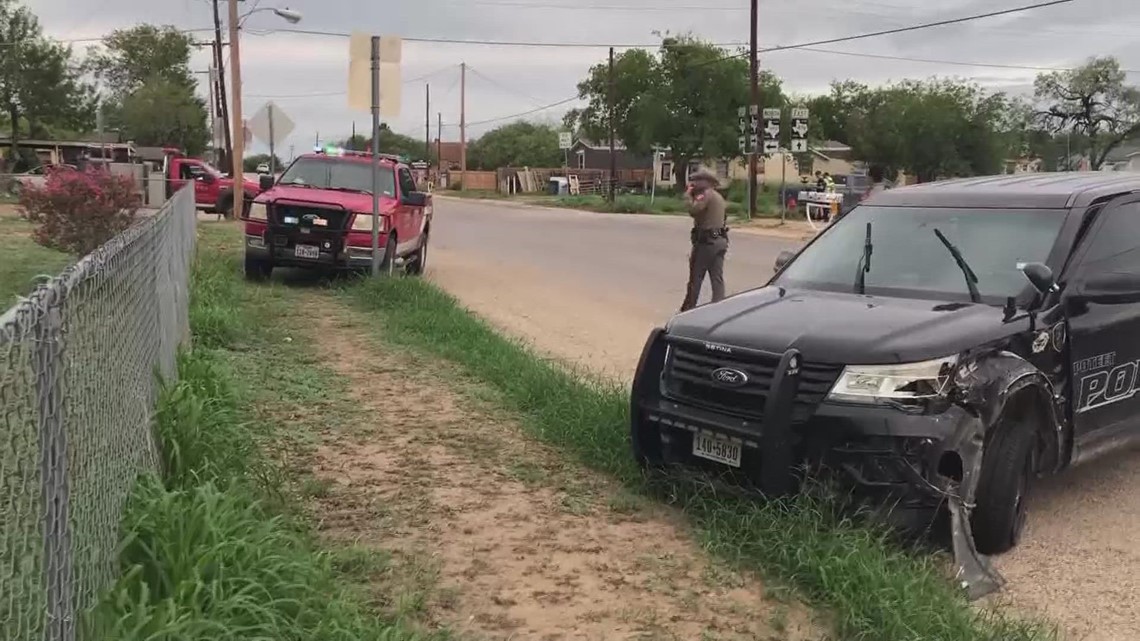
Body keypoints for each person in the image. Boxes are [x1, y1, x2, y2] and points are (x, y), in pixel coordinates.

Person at [680, 168, 729, 312]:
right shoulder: (718, 197)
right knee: (717, 278)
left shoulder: (705, 195)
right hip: (719, 240)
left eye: (696, 181)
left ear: (705, 182)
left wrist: (688, 195)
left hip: (706, 243)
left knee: (696, 278)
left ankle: (688, 309)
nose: (693, 183)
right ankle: (719, 307)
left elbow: (694, 210)